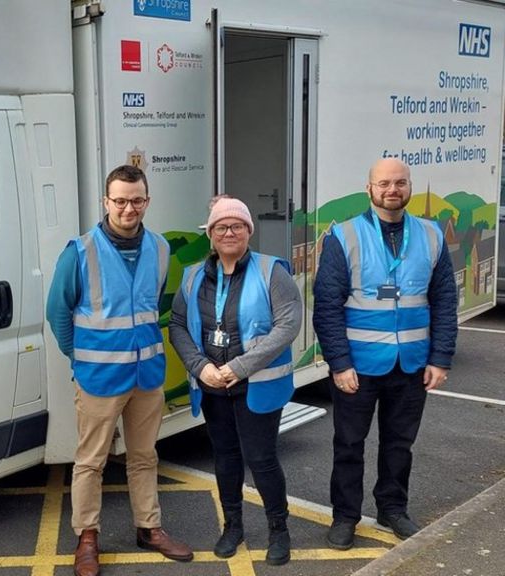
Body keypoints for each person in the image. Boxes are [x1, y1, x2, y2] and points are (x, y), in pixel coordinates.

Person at [46, 164, 192, 576]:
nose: (129, 208)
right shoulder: (80, 251)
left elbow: (151, 307)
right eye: (121, 200)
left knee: (144, 456)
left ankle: (149, 528)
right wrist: (79, 358)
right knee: (90, 461)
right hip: (98, 378)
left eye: (137, 200)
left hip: (146, 375)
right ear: (106, 202)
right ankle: (87, 537)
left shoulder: (161, 248)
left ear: (147, 201)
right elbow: (57, 311)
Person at [313, 158, 457, 550]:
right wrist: (339, 364)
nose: (392, 190)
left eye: (400, 183)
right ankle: (345, 516)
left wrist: (440, 358)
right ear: (369, 189)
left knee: (399, 444)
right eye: (384, 184)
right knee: (348, 445)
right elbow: (326, 306)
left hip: (411, 364)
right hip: (357, 367)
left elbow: (445, 301)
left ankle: (392, 508)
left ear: (409, 187)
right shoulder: (344, 237)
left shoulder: (430, 236)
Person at [169, 195, 302, 566]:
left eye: (237, 226)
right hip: (213, 384)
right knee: (225, 458)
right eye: (221, 227)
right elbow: (178, 325)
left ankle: (279, 529)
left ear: (248, 232)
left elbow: (288, 325)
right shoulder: (194, 275)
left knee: (261, 459)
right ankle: (233, 526)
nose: (230, 232)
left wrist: (239, 367)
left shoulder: (271, 271)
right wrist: (199, 366)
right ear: (210, 234)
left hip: (255, 385)